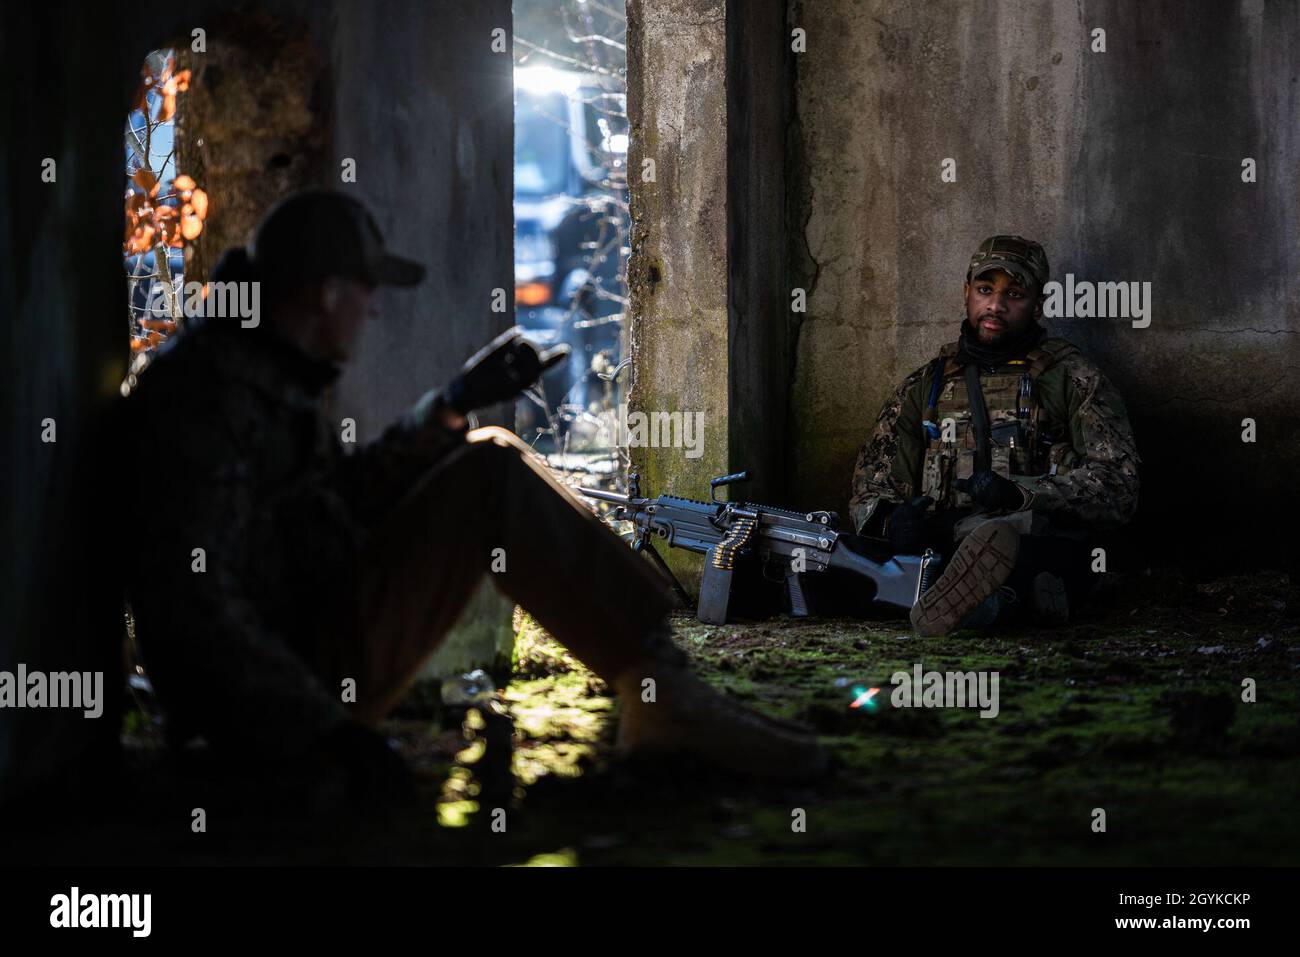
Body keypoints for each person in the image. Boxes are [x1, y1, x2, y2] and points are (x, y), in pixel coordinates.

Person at [121, 189, 827, 802]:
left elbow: (330, 507)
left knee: (488, 451)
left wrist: (451, 405)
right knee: (488, 471)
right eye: (366, 290)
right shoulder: (203, 399)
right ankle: (665, 696)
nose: (372, 312)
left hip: (310, 649)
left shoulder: (268, 371)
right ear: (326, 291)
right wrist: (322, 734)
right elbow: (196, 605)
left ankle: (663, 686)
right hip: (272, 706)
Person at [848, 235, 1140, 637]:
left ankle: (994, 601)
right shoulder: (926, 385)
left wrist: (1024, 494)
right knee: (848, 556)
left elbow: (1118, 488)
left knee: (1067, 558)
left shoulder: (1071, 378)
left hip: (1033, 542)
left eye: (1015, 295)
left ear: (1038, 304)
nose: (996, 306)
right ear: (967, 292)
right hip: (942, 544)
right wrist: (891, 521)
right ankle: (990, 603)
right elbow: (870, 487)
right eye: (985, 290)